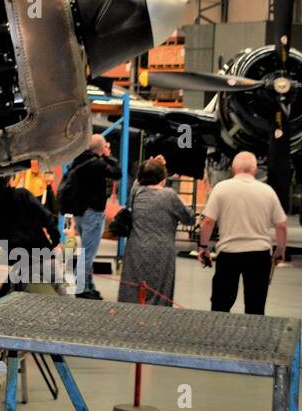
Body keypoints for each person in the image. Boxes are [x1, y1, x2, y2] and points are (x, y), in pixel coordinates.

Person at [197, 151, 287, 315]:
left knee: (221, 304)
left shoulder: (221, 188)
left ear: (233, 168)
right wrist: (280, 250)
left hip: (229, 254)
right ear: (255, 170)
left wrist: (203, 247)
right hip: (259, 255)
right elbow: (281, 225)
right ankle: (253, 339)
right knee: (255, 305)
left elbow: (208, 221)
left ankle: (217, 337)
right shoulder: (267, 191)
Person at [119, 157, 194, 307]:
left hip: (136, 248)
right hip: (162, 251)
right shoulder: (169, 195)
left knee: (133, 287)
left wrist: (150, 163)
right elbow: (189, 218)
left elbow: (137, 182)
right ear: (163, 177)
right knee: (160, 291)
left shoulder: (137, 192)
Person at [59, 134, 122, 299]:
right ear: (101, 149)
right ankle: (82, 289)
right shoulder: (98, 164)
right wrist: (108, 157)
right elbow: (117, 173)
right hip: (92, 214)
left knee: (86, 251)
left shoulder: (78, 160)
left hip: (79, 213)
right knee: (88, 253)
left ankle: (89, 285)